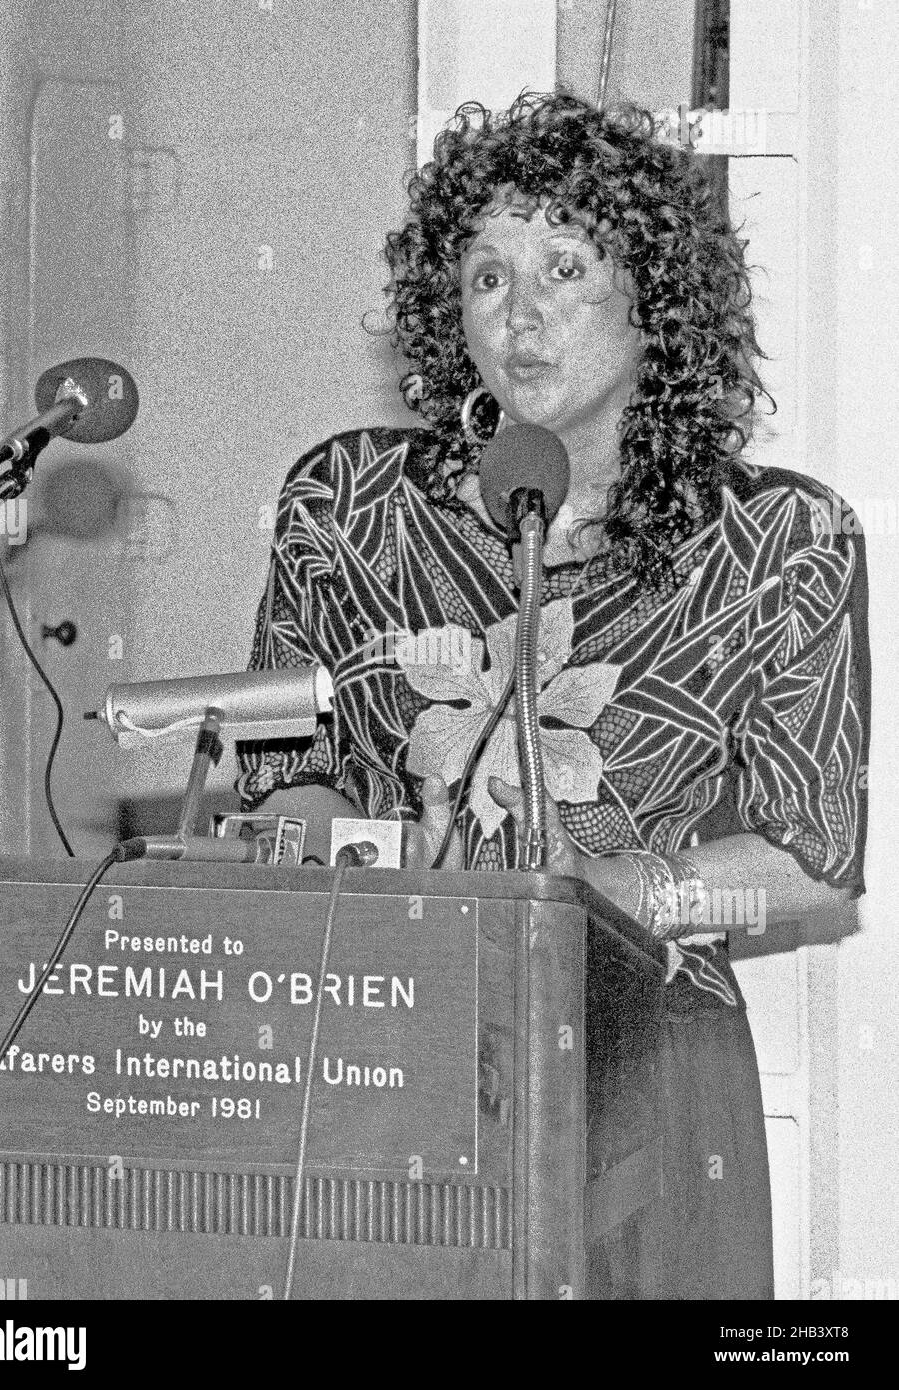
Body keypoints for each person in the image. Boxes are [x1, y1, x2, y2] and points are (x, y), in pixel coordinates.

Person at [236, 90, 870, 1299]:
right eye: (484, 276)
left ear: (653, 303)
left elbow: (809, 857)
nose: (518, 314)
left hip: (640, 1079)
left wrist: (588, 895)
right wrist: (364, 886)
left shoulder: (782, 540)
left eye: (564, 266)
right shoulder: (346, 504)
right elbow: (280, 774)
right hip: (385, 1062)